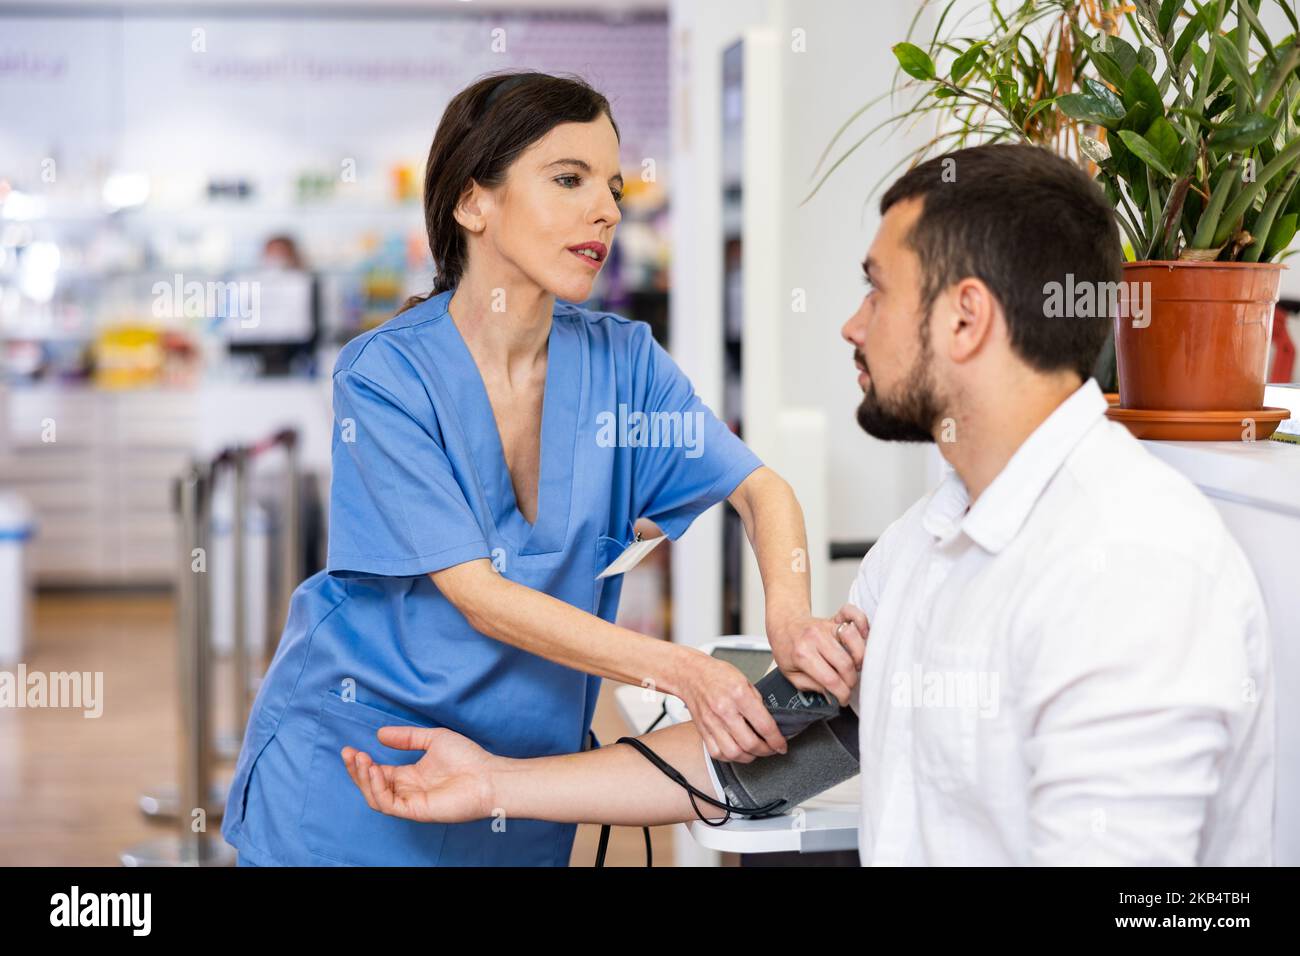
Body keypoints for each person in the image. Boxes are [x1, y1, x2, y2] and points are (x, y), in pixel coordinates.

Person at [341, 143, 1274, 866]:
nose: (850, 324)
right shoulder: (917, 553)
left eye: (875, 288)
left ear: (966, 317)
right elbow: (756, 756)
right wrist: (497, 782)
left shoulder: (1132, 566)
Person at [221, 71, 865, 867]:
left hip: (522, 783)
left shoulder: (625, 366)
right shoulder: (385, 377)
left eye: (613, 185)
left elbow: (759, 489)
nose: (608, 209)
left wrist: (792, 616)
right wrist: (682, 671)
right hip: (358, 772)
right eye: (569, 179)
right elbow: (481, 597)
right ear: (473, 202)